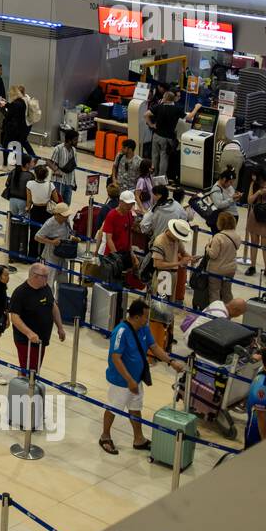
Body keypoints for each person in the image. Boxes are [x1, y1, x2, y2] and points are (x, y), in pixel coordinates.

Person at [99, 299, 174, 455]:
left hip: (136, 379)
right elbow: (116, 357)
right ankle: (105, 436)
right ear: (137, 317)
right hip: (121, 381)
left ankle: (138, 439)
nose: (147, 320)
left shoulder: (144, 329)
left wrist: (171, 362)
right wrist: (129, 380)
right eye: (146, 316)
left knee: (135, 408)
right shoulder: (121, 332)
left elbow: (154, 347)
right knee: (113, 408)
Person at [9, 262, 66, 372]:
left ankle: (31, 384)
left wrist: (60, 327)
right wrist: (29, 333)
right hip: (26, 341)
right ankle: (25, 387)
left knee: (35, 368)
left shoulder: (45, 288)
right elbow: (14, 317)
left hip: (42, 338)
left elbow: (53, 306)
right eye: (45, 276)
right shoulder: (20, 293)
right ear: (35, 276)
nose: (47, 279)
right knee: (28, 370)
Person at [148, 89, 197, 184]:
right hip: (167, 138)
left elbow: (146, 114)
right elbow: (189, 117)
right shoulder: (176, 109)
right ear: (173, 99)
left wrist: (151, 125)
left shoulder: (158, 106)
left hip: (156, 135)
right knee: (164, 158)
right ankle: (160, 179)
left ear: (165, 98)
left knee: (154, 157)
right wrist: (196, 108)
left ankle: (152, 176)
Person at [101, 190, 138, 284]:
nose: (129, 206)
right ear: (120, 202)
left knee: (123, 283)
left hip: (124, 254)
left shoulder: (129, 214)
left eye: (131, 204)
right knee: (111, 283)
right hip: (112, 257)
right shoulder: (111, 215)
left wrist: (132, 253)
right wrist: (116, 257)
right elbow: (108, 238)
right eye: (127, 204)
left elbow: (129, 234)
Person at [204, 211, 241, 304]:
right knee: (227, 292)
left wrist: (208, 247)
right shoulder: (237, 236)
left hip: (217, 270)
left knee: (214, 293)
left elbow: (213, 255)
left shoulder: (218, 237)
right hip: (231, 269)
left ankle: (216, 314)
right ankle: (229, 312)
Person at [35, 202, 74, 289]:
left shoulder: (66, 221)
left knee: (63, 280)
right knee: (50, 280)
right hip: (51, 254)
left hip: (63, 254)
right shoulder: (50, 223)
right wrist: (51, 242)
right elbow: (37, 237)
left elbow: (69, 232)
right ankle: (50, 300)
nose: (66, 217)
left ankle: (60, 300)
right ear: (57, 215)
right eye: (64, 215)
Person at [1, 85, 33, 164]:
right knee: (18, 145)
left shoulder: (16, 103)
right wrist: (7, 104)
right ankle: (19, 163)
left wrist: (2, 109)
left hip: (13, 129)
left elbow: (8, 115)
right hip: (20, 128)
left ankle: (5, 165)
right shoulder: (23, 100)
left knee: (6, 145)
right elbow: (14, 110)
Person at [50, 126, 79, 205]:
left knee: (66, 205)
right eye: (75, 140)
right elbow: (51, 163)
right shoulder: (58, 149)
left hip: (69, 183)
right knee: (57, 203)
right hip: (58, 181)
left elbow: (73, 167)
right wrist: (56, 170)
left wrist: (74, 182)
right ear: (69, 140)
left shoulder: (74, 150)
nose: (77, 141)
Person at [3, 154, 36, 218]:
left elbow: (7, 184)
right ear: (27, 164)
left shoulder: (13, 171)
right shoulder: (30, 175)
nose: (33, 163)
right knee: (21, 222)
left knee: (13, 219)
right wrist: (29, 205)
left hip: (12, 200)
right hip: (23, 201)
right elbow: (31, 191)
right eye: (32, 162)